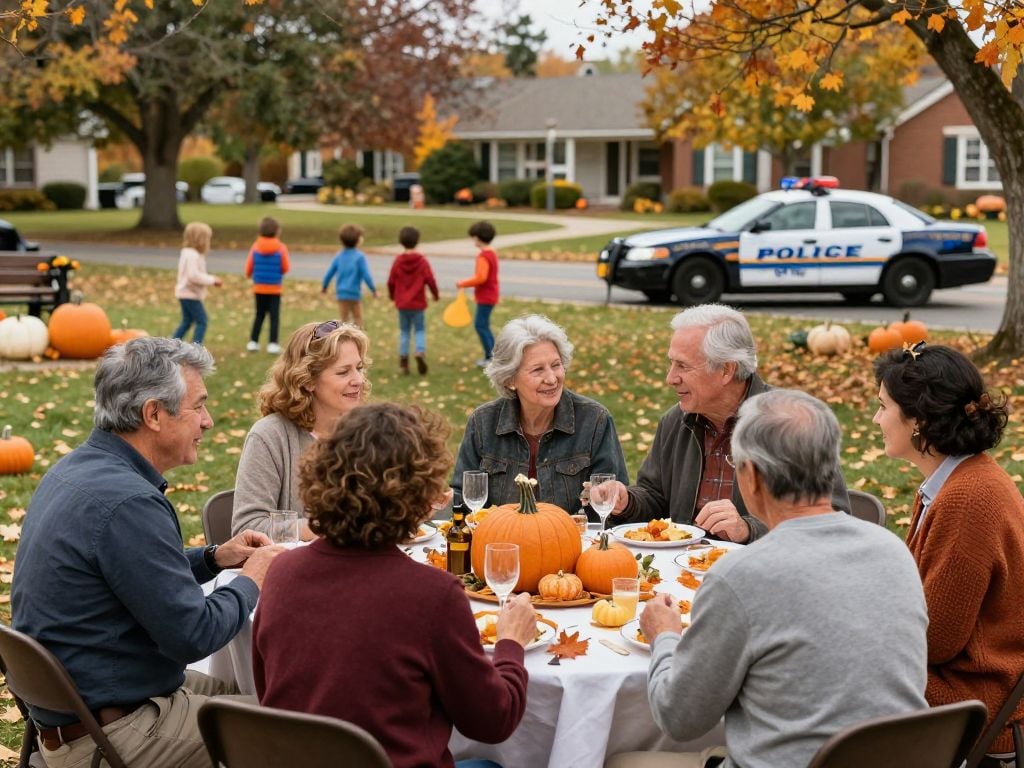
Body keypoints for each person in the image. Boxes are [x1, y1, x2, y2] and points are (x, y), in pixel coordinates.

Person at [609, 389, 929, 768]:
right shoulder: (894, 553)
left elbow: (679, 718)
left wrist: (663, 635)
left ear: (752, 478)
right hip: (904, 758)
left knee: (622, 762)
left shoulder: (739, 577)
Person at [11, 337, 282, 768]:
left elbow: (134, 575)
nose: (208, 421)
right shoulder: (128, 502)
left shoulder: (75, 469)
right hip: (111, 733)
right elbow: (194, 635)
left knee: (267, 691)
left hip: (85, 705)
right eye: (198, 406)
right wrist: (255, 578)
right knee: (296, 726)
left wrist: (212, 558)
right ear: (154, 414)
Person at [252, 402, 537, 768]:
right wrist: (511, 644)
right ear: (418, 493)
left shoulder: (281, 573)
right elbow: (494, 721)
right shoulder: (432, 595)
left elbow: (269, 692)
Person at [873, 343, 1024, 763]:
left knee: (833, 665)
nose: (875, 418)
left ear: (918, 420)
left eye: (883, 407)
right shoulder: (952, 482)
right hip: (959, 681)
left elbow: (933, 641)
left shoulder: (968, 499)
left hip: (977, 698)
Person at [596, 304, 849, 542]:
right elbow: (655, 497)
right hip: (682, 573)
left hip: (762, 574)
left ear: (727, 370)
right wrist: (628, 500)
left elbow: (831, 518)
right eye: (671, 363)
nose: (670, 378)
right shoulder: (675, 422)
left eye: (682, 366)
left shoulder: (789, 424)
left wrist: (747, 529)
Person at [452, 314, 628, 517]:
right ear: (510, 379)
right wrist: (443, 499)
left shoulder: (594, 420)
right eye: (538, 370)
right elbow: (464, 501)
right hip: (501, 544)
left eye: (556, 365)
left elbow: (613, 506)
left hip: (573, 543)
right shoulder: (483, 423)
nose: (552, 379)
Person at [232, 320, 370, 540]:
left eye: (359, 368)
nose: (358, 380)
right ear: (308, 380)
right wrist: (329, 527)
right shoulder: (271, 436)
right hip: (294, 570)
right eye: (344, 372)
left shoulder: (368, 432)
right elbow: (248, 528)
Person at [386, 225, 439, 375]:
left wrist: (392, 295)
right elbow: (430, 279)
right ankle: (420, 352)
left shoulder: (398, 261)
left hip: (402, 304)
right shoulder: (422, 261)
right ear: (417, 241)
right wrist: (435, 294)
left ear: (401, 242)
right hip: (418, 303)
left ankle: (404, 361)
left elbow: (391, 281)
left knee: (404, 331)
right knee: (420, 330)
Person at [245, 215, 290, 354]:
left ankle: (253, 341)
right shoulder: (281, 248)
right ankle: (273, 343)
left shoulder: (255, 247)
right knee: (274, 317)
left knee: (259, 315)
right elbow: (285, 267)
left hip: (259, 288)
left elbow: (248, 268)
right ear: (277, 231)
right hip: (275, 289)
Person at [171, 221, 222, 345]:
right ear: (200, 240)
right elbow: (193, 276)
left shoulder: (188, 253)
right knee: (202, 321)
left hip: (186, 294)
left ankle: (170, 344)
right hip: (190, 294)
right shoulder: (192, 255)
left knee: (187, 321)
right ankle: (196, 349)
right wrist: (212, 280)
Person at [457, 220, 499, 367]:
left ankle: (491, 358)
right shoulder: (492, 253)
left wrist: (463, 283)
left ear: (477, 238)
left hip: (486, 296)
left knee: (480, 326)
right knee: (484, 325)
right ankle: (494, 356)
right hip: (491, 295)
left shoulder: (483, 256)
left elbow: (481, 277)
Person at [321, 223, 377, 328]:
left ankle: (343, 341)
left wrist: (324, 287)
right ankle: (359, 341)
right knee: (358, 319)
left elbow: (329, 273)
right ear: (358, 240)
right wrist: (373, 290)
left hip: (341, 293)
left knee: (344, 320)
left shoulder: (339, 256)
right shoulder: (359, 257)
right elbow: (366, 275)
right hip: (354, 294)